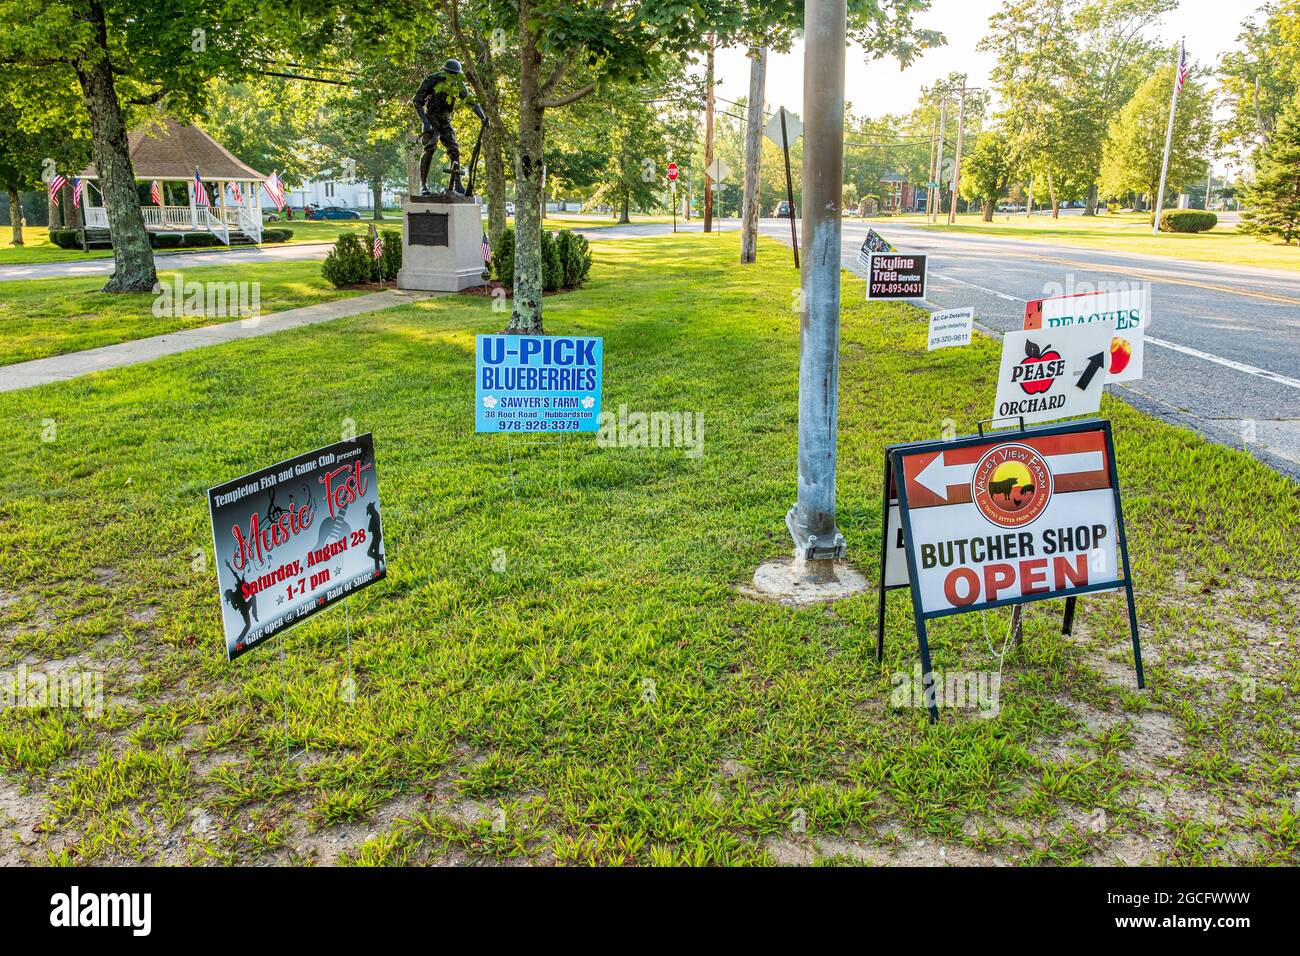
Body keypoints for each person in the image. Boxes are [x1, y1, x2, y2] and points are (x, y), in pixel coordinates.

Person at [413, 58, 486, 195]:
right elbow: (417, 101)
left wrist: (482, 116)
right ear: (444, 72)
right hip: (431, 117)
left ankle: (457, 183)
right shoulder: (432, 80)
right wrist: (425, 122)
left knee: (454, 149)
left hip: (445, 119)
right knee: (430, 147)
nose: (452, 77)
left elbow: (470, 101)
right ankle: (423, 184)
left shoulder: (458, 85)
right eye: (450, 74)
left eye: (455, 75)